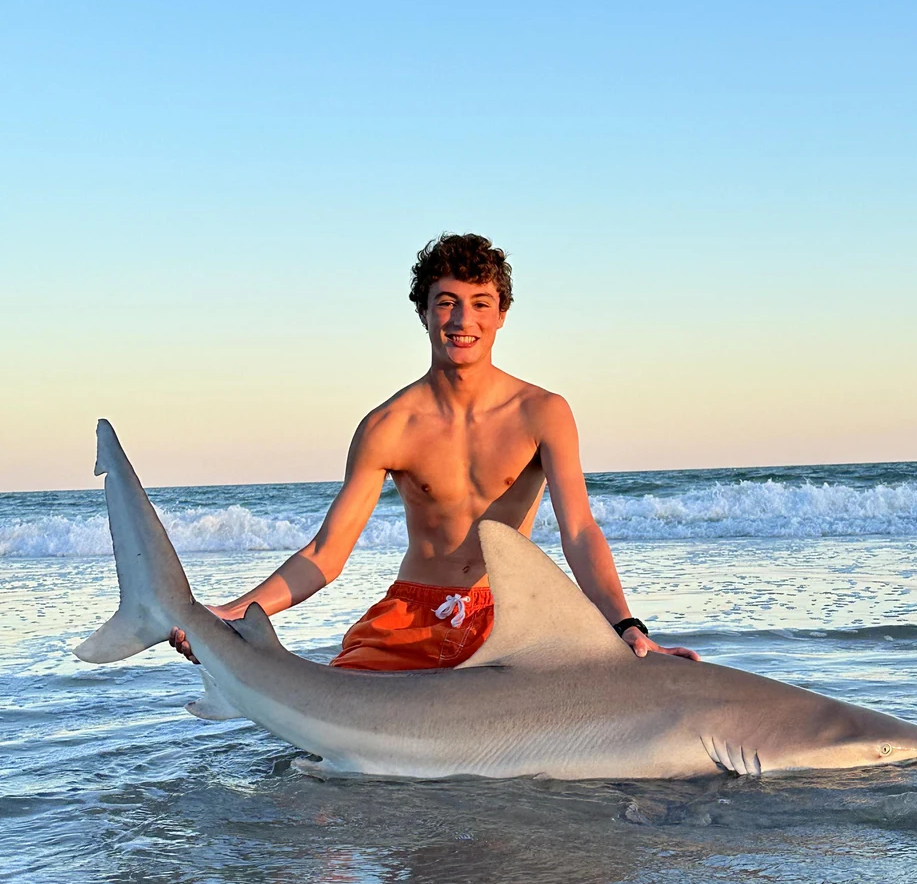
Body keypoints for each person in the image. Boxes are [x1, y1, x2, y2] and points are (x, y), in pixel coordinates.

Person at [171, 234, 698, 669]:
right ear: (423, 313)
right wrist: (234, 614)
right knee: (333, 732)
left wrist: (626, 626)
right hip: (410, 618)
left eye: (479, 304)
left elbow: (579, 531)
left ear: (501, 315)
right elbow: (324, 555)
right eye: (446, 303)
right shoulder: (388, 426)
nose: (461, 320)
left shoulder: (543, 413)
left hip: (513, 617)